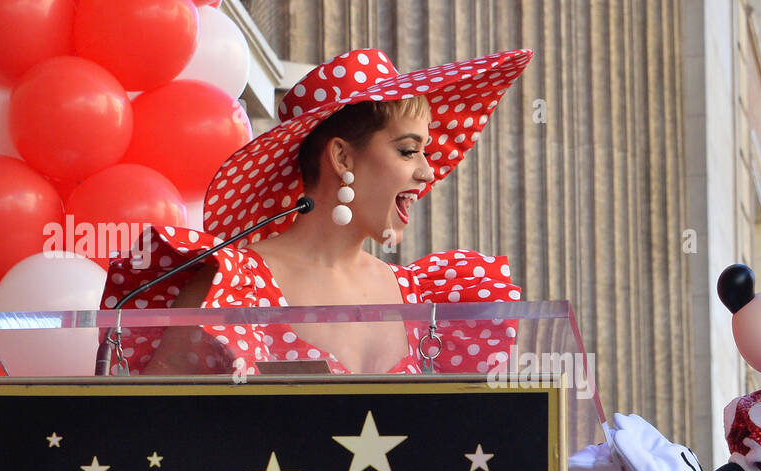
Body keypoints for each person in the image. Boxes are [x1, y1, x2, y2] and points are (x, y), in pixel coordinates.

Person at [100, 48, 532, 376]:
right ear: (342, 157)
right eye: (408, 151)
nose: (426, 172)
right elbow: (153, 433)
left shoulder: (427, 296)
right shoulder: (233, 285)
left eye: (426, 152)